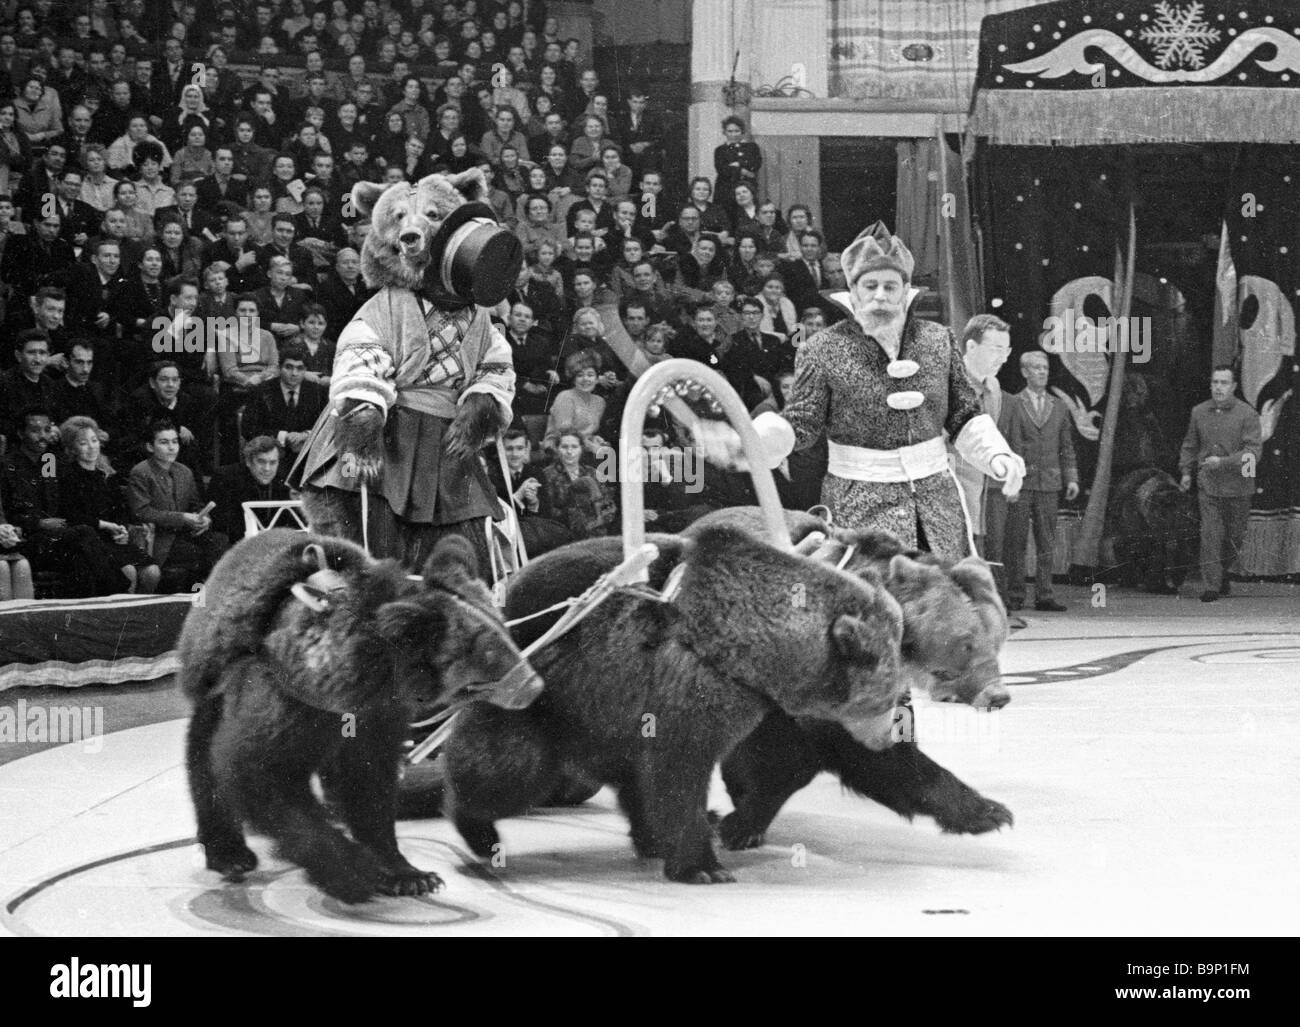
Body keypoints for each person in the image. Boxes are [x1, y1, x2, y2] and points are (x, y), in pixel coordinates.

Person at [720, 221, 1024, 560]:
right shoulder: (822, 348)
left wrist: (997, 455)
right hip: (857, 504)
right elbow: (801, 423)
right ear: (853, 291)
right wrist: (761, 439)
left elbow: (965, 414)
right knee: (870, 605)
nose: (880, 295)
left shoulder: (939, 340)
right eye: (871, 285)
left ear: (906, 291)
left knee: (944, 601)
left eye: (890, 286)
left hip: (938, 507)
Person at [999, 350, 1079, 612]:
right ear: (1024, 372)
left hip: (1049, 482)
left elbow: (1066, 446)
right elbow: (1008, 442)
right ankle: (1015, 594)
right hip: (1021, 482)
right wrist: (1009, 478)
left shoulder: (1059, 406)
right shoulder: (1012, 403)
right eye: (1036, 367)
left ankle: (1045, 594)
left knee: (1047, 541)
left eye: (1045, 367)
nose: (1042, 372)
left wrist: (1072, 478)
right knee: (1016, 541)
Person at [1178, 365, 1263, 603]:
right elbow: (1190, 445)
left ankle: (1222, 572)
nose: (1218, 387)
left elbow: (1253, 453)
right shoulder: (1199, 412)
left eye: (1224, 383)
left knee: (1234, 538)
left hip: (1239, 486)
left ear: (1234, 386)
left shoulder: (1247, 414)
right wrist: (1186, 471)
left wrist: (1224, 462)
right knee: (1210, 535)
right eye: (1215, 382)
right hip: (1209, 485)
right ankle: (1211, 586)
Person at [58, 416, 160, 594]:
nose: (91, 447)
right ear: (73, 448)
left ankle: (141, 616)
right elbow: (72, 516)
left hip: (115, 539)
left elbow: (121, 509)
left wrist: (123, 530)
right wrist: (106, 525)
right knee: (128, 573)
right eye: (83, 443)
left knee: (152, 572)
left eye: (94, 440)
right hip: (92, 544)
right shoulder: (68, 476)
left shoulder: (107, 474)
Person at [127, 418, 228, 589]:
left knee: (221, 541)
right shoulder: (141, 472)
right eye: (164, 442)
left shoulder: (184, 471)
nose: (172, 447)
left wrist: (205, 520)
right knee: (196, 554)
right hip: (160, 537)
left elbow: (195, 505)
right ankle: (199, 592)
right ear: (150, 447)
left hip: (186, 533)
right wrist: (182, 518)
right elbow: (141, 512)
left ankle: (209, 594)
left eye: (175, 441)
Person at [951, 314, 1013, 569]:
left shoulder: (994, 386)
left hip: (977, 488)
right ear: (971, 347)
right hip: (946, 488)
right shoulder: (947, 380)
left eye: (1006, 350)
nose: (1003, 357)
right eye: (996, 349)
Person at [489, 428, 570, 557]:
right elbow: (498, 517)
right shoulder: (493, 476)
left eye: (519, 448)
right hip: (508, 537)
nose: (515, 454)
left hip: (533, 535)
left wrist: (534, 503)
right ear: (501, 451)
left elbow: (547, 514)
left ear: (526, 450)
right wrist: (518, 496)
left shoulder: (536, 473)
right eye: (509, 449)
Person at [240, 345, 327, 456]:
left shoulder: (319, 392)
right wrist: (284, 436)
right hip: (271, 456)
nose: (294, 373)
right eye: (289, 367)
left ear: (305, 370)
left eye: (299, 368)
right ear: (279, 368)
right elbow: (248, 429)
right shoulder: (261, 391)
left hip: (307, 453)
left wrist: (306, 435)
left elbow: (328, 425)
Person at [207, 435, 293, 543]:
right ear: (248, 461)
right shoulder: (225, 477)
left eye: (273, 462)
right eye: (261, 462)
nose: (267, 468)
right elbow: (221, 525)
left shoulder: (284, 482)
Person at [538, 430, 617, 540]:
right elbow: (548, 510)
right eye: (564, 447)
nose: (569, 452)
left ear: (581, 449)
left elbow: (608, 504)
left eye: (574, 447)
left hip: (594, 530)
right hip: (562, 531)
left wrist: (598, 521)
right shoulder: (547, 475)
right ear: (557, 449)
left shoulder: (593, 473)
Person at [713, 115, 761, 200]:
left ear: (742, 131)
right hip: (726, 190)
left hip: (747, 188)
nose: (733, 134)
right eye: (730, 131)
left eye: (737, 131)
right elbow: (722, 169)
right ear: (724, 132)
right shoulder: (720, 150)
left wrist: (737, 164)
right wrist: (744, 171)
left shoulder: (752, 147)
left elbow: (756, 163)